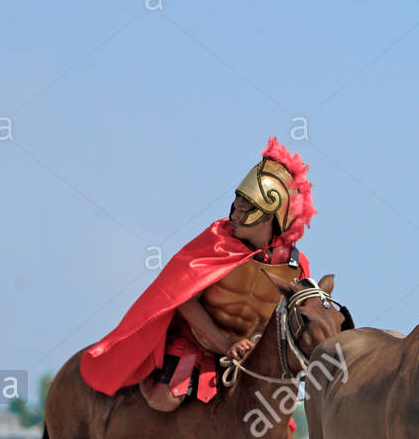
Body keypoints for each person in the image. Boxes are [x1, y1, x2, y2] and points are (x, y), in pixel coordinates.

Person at [81, 138, 316, 411]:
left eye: (244, 209)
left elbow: (292, 325)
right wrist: (225, 345)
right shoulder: (218, 241)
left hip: (249, 357)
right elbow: (182, 297)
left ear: (267, 217)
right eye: (236, 204)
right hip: (196, 341)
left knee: (273, 414)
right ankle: (140, 384)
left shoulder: (295, 267)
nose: (234, 214)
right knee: (163, 399)